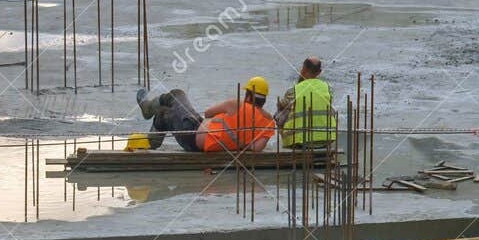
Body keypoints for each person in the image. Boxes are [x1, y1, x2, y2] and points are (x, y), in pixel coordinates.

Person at [136, 76, 275, 153]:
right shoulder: (269, 123)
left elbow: (208, 113)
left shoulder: (236, 104)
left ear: (249, 96)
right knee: (165, 114)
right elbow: (256, 148)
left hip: (192, 134)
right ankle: (152, 142)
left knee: (176, 94)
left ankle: (148, 109)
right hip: (197, 134)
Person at [275, 57, 337, 149]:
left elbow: (280, 115)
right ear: (319, 72)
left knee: (281, 113)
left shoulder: (293, 91)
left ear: (303, 69)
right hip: (326, 139)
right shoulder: (328, 89)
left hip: (299, 141)